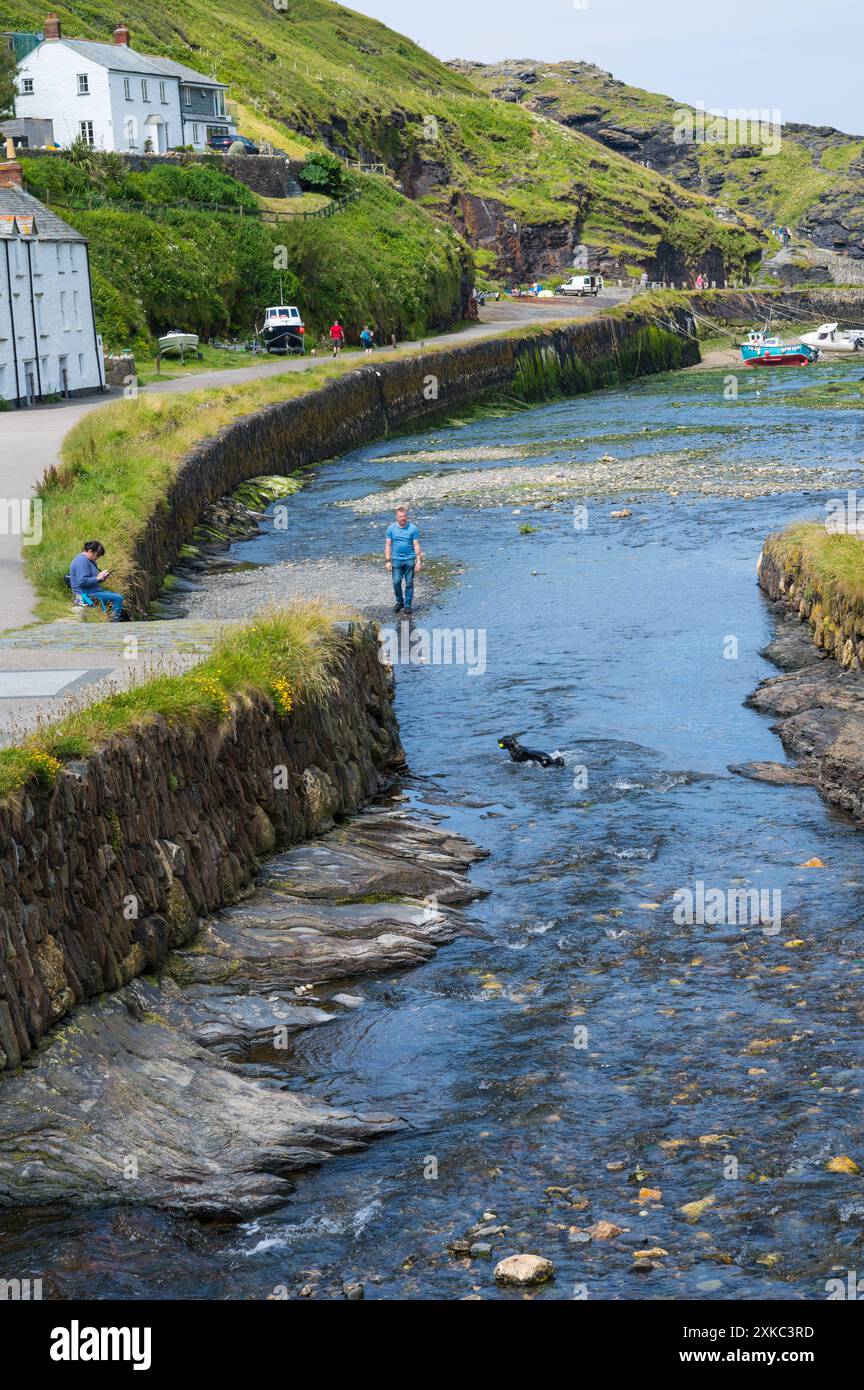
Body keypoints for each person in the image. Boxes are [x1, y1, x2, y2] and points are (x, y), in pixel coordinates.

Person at [69, 541, 124, 621]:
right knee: (118, 598)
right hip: (85, 594)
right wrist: (97, 578)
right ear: (90, 551)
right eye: (97, 555)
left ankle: (112, 619)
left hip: (93, 591)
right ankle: (113, 622)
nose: (98, 558)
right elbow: (82, 581)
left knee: (116, 596)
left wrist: (103, 578)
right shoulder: (81, 561)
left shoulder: (91, 560)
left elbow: (94, 578)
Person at [385, 506, 422, 616]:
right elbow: (388, 545)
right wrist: (387, 561)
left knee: (409, 583)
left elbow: (416, 545)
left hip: (409, 559)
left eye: (404, 516)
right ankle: (399, 601)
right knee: (396, 582)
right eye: (400, 516)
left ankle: (407, 605)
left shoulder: (413, 528)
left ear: (407, 516)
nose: (403, 518)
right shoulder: (391, 528)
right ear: (397, 517)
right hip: (396, 560)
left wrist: (419, 561)